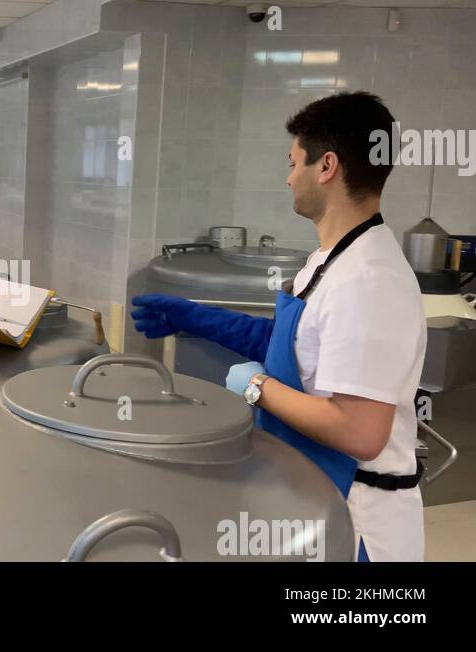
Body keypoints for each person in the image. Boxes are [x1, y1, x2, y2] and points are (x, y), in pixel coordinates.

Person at [131, 92, 427, 562]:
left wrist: (257, 387)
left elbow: (360, 432)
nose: (288, 178)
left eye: (293, 163)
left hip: (357, 524)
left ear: (326, 166)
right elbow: (297, 348)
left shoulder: (370, 279)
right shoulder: (330, 261)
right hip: (310, 493)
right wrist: (196, 318)